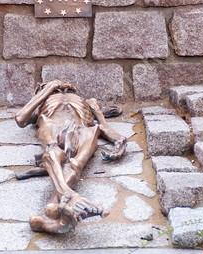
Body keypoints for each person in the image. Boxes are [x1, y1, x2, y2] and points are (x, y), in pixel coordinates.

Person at [13, 79, 128, 234]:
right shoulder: (43, 103)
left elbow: (102, 127)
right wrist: (48, 89)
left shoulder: (86, 102)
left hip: (82, 128)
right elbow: (20, 118)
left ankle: (52, 212)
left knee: (75, 164)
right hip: (52, 125)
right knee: (53, 150)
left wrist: (119, 139)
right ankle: (67, 197)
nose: (63, 83)